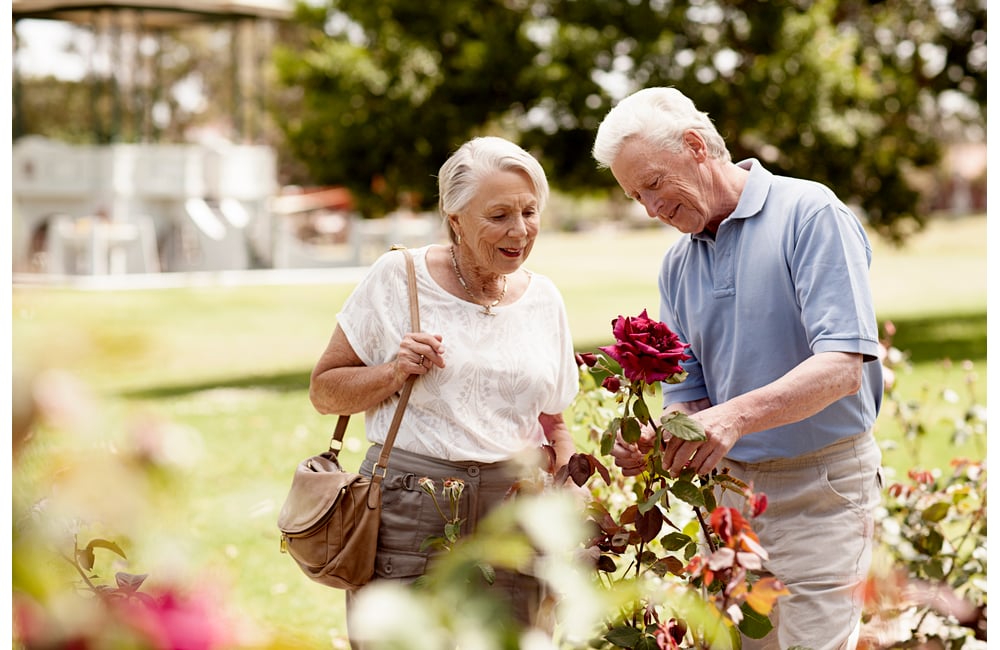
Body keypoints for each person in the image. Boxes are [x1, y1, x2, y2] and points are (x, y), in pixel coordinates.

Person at [592, 87, 884, 650]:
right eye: (636, 196)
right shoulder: (677, 264)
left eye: (653, 184)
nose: (650, 209)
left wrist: (732, 419)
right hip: (728, 498)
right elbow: (690, 395)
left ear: (695, 146)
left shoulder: (810, 213)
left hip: (822, 489)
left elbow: (842, 366)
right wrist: (661, 438)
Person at [309, 136, 580, 642]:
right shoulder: (399, 276)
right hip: (411, 509)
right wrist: (393, 371)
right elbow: (324, 391)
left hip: (515, 516)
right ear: (455, 218)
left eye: (529, 212)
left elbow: (554, 419)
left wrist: (571, 492)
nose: (520, 230)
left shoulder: (544, 298)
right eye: (498, 215)